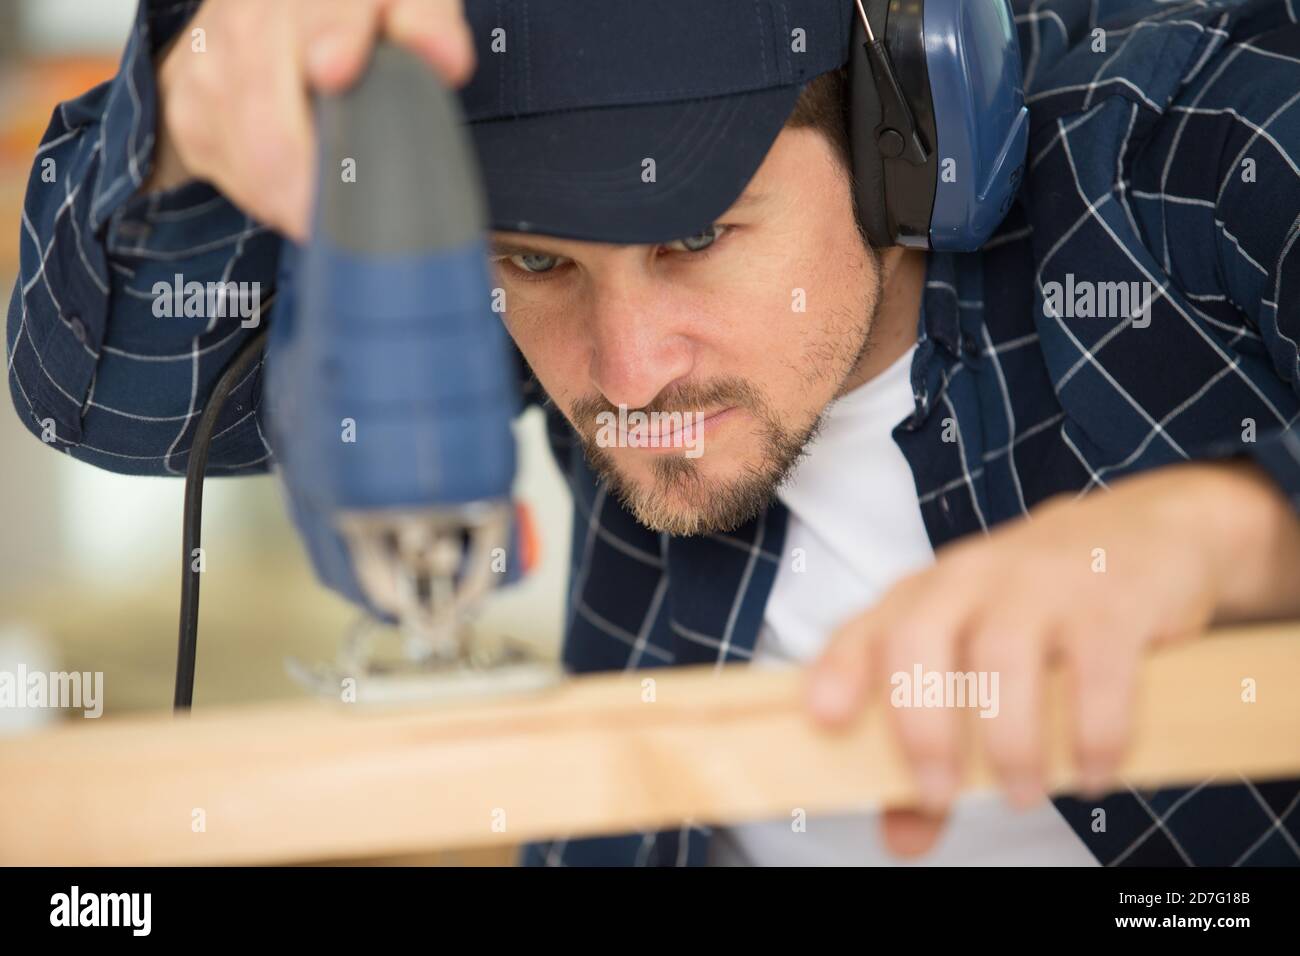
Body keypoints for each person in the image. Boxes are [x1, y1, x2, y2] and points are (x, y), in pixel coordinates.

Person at [8, 0, 1300, 866]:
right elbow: (108, 394)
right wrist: (191, 101)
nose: (625, 373)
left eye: (695, 240)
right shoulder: (518, 276)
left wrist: (1235, 530)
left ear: (913, 133)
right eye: (536, 261)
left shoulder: (1202, 139)